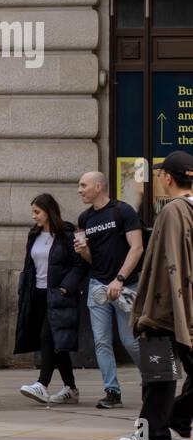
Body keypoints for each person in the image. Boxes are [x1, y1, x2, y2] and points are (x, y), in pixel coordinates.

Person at [118, 151, 193, 440]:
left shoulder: (173, 211)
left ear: (167, 178)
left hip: (166, 307)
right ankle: (179, 425)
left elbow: (166, 264)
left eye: (161, 173)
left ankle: (154, 437)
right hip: (185, 305)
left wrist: (148, 308)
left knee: (158, 373)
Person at [75, 170, 144, 409]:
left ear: (98, 186)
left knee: (130, 341)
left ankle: (153, 382)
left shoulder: (123, 211)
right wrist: (84, 253)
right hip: (97, 285)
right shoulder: (84, 218)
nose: (79, 190)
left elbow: (136, 248)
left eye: (84, 185)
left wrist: (120, 278)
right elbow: (91, 258)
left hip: (125, 285)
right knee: (101, 341)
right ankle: (112, 391)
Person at [15, 194, 87, 405]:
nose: (33, 216)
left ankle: (42, 385)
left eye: (37, 212)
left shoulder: (66, 234)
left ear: (49, 211)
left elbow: (80, 264)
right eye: (33, 212)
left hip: (57, 294)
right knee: (56, 344)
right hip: (36, 294)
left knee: (48, 337)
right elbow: (30, 265)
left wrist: (66, 287)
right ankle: (71, 389)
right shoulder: (34, 234)